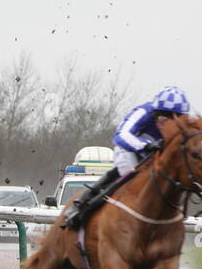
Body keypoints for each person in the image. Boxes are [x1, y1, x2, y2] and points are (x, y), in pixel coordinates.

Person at [60, 86, 190, 229]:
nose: (169, 122)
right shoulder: (143, 112)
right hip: (128, 148)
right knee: (130, 175)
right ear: (157, 112)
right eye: (165, 116)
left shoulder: (186, 124)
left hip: (155, 152)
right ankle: (82, 207)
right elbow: (121, 135)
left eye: (176, 118)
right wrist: (146, 146)